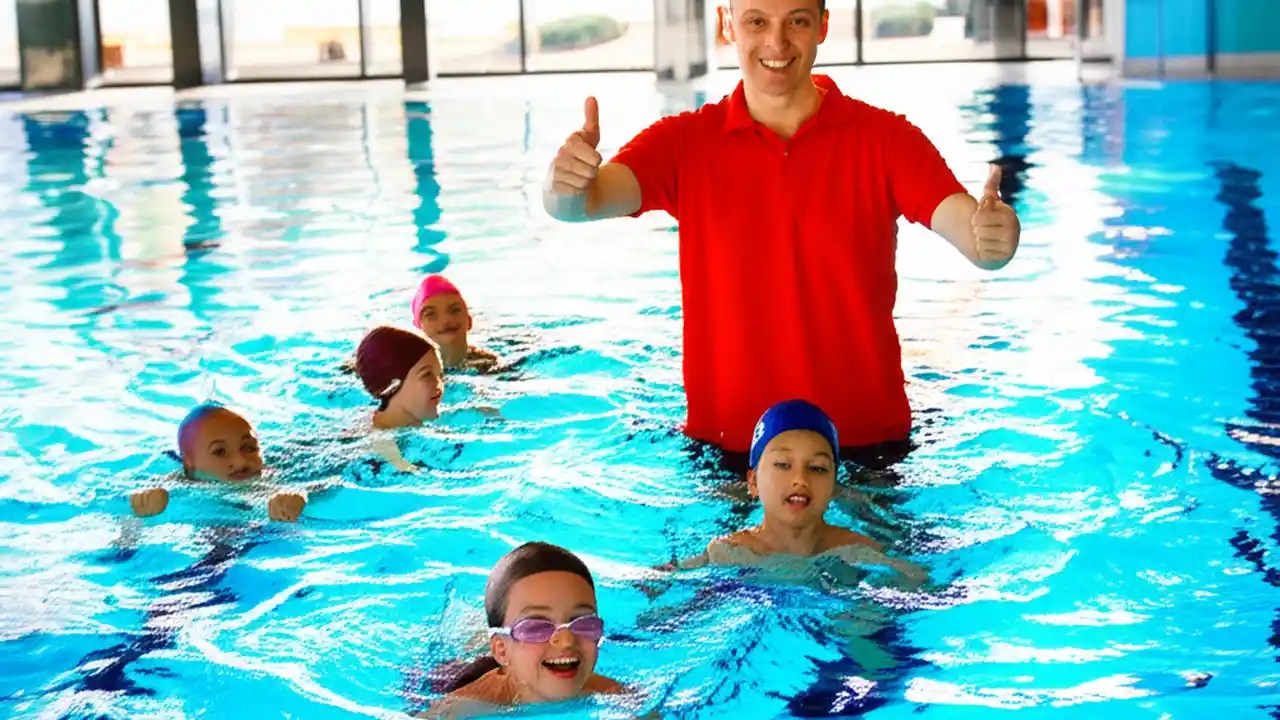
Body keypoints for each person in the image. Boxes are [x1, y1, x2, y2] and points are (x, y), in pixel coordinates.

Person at [542, 0, 1022, 457]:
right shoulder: (683, 145)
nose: (776, 42)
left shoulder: (886, 141)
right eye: (756, 21)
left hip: (863, 442)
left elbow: (973, 236)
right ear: (727, 25)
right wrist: (564, 186)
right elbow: (583, 203)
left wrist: (993, 239)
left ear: (822, 27)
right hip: (731, 446)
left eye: (796, 21)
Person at [678, 399, 925, 582]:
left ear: (833, 486)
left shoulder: (861, 552)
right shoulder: (726, 552)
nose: (800, 479)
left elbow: (922, 585)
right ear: (753, 482)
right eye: (783, 465)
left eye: (817, 468)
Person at [421, 542, 626, 718]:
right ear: (501, 650)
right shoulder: (466, 704)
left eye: (582, 622)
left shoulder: (611, 693)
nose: (567, 640)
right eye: (537, 626)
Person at [129, 403, 306, 522]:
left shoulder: (274, 476)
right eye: (220, 452)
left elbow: (319, 485)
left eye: (249, 447)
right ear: (191, 463)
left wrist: (299, 495)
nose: (240, 461)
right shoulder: (174, 487)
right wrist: (139, 510)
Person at [411, 274, 500, 373]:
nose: (446, 320)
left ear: (469, 321)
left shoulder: (490, 364)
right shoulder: (413, 374)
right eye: (431, 314)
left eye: (455, 310)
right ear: (419, 332)